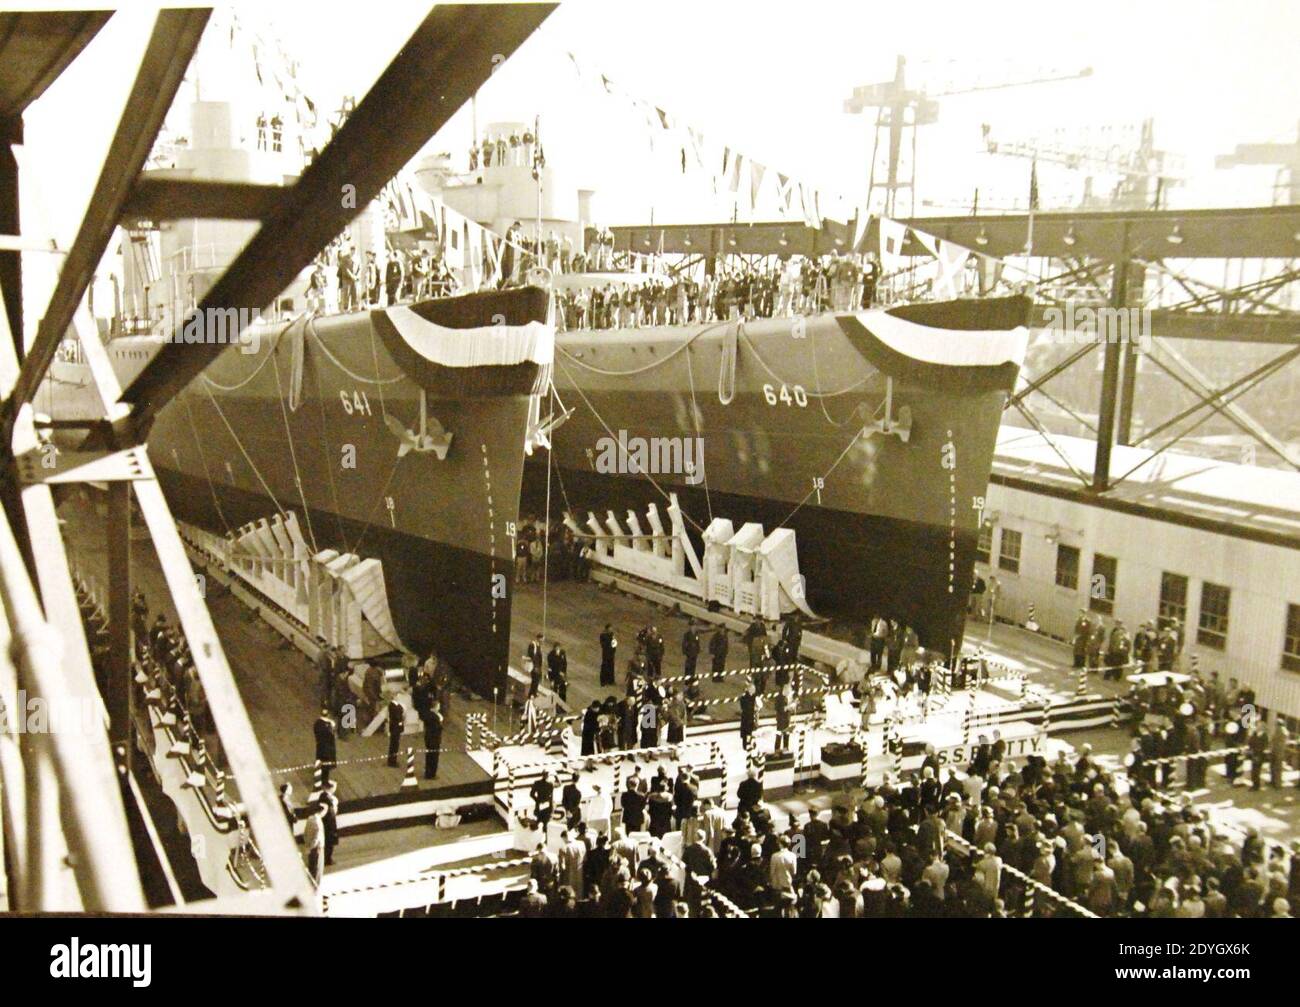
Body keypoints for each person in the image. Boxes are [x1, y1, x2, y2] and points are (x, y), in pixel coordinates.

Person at [303, 803, 326, 884]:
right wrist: (312, 847)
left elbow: (305, 834)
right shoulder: (318, 822)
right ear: (321, 811)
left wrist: (307, 846)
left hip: (310, 846)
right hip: (317, 848)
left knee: (311, 868)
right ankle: (315, 889)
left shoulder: (310, 819)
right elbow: (317, 837)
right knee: (317, 870)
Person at [313, 707, 337, 785]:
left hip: (320, 746)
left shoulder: (317, 723)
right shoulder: (329, 725)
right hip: (327, 748)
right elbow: (332, 736)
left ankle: (321, 777)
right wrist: (332, 727)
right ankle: (324, 781)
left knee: (320, 762)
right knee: (326, 765)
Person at [386, 694, 405, 767]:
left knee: (395, 744)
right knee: (394, 744)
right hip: (395, 727)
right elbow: (397, 716)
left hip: (397, 727)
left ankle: (393, 759)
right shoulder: (392, 705)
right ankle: (392, 761)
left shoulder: (396, 705)